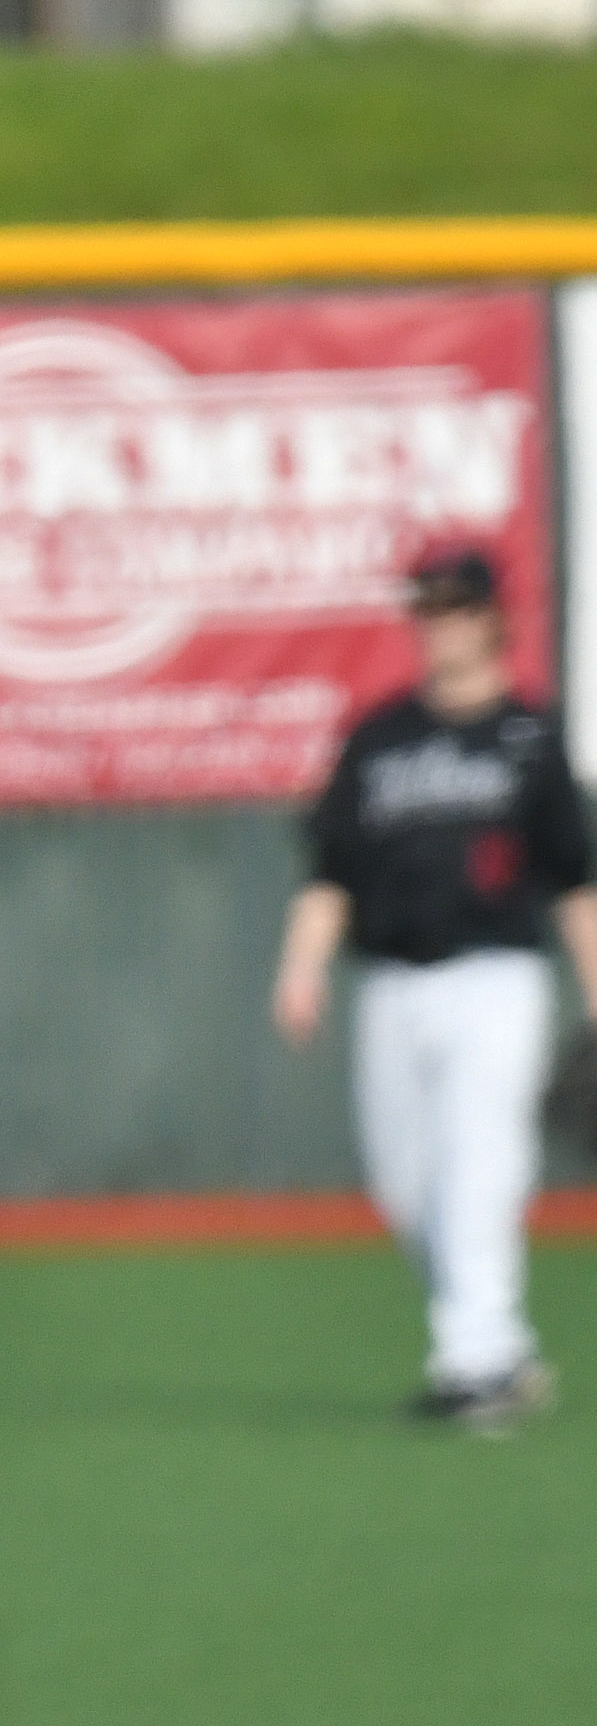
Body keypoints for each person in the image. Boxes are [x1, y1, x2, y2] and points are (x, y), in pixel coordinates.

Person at [273, 545, 594, 1432]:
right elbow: (330, 869)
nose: (437, 624)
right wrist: (301, 966)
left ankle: (478, 1360)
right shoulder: (378, 740)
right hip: (391, 982)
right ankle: (499, 1346)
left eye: (454, 607)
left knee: (478, 1166)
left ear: (493, 619)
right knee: (405, 1183)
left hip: (497, 979)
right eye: (427, 607)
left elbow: (571, 881)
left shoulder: (528, 740)